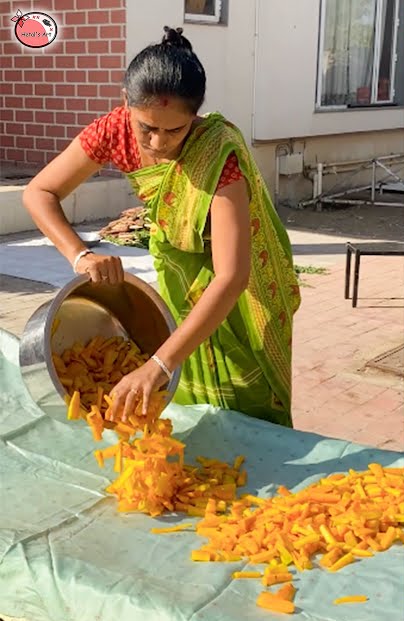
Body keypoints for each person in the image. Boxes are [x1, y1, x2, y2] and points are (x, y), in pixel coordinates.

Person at [23, 27, 300, 427]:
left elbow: (232, 276)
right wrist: (79, 255)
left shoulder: (218, 154)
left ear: (195, 117)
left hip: (242, 294)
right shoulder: (114, 131)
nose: (157, 143)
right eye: (146, 128)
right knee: (183, 391)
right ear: (126, 103)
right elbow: (39, 192)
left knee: (246, 399)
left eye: (174, 130)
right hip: (178, 274)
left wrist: (159, 363)